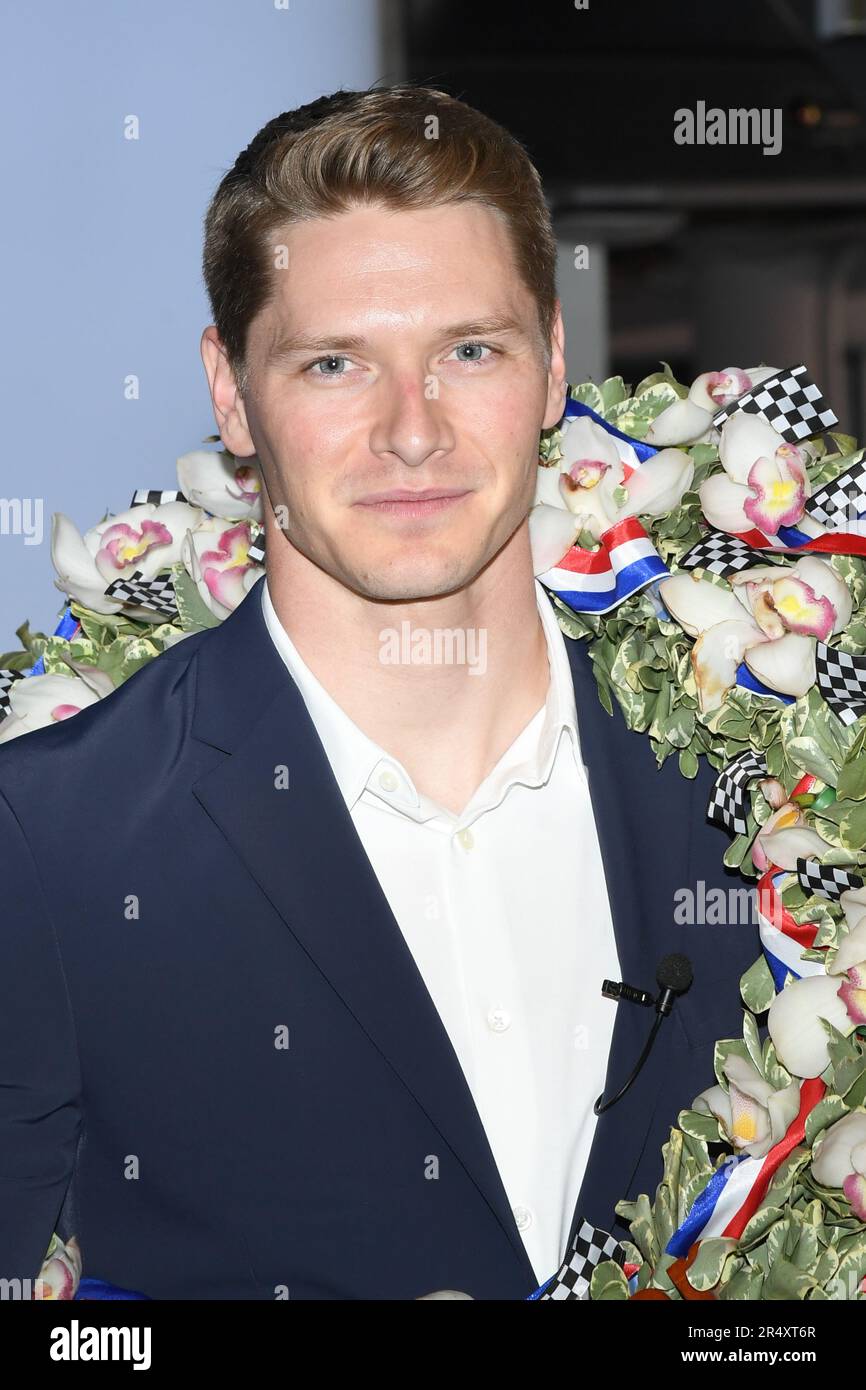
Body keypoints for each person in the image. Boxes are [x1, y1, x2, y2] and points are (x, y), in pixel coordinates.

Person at [0, 84, 757, 1300]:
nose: (414, 431)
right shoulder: (51, 842)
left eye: (469, 350)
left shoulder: (771, 791)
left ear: (554, 358)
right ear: (230, 392)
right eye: (335, 362)